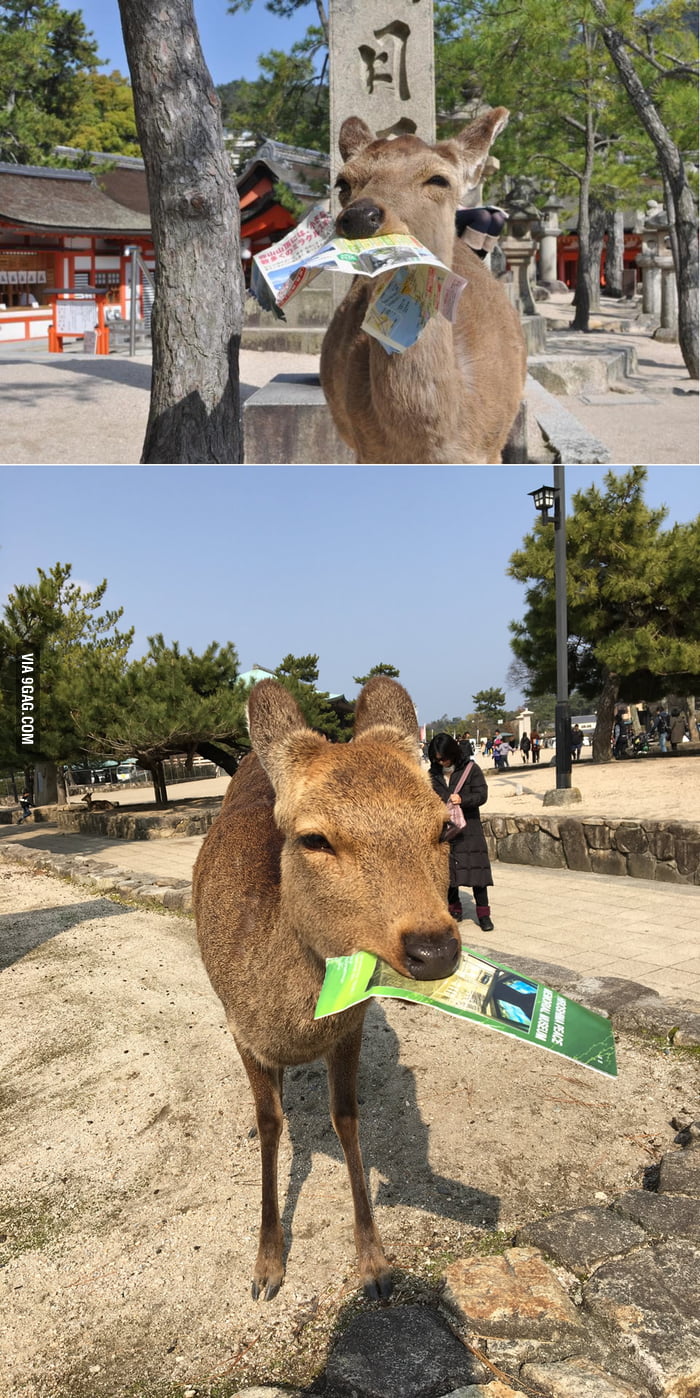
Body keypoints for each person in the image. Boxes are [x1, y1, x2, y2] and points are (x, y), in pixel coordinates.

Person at [428, 733, 494, 931]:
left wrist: (462, 799)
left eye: (444, 758)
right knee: (449, 875)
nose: (441, 762)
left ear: (453, 752)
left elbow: (482, 794)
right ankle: (454, 909)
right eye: (437, 759)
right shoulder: (433, 775)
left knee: (477, 874)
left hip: (469, 828)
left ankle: (483, 915)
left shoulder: (471, 769)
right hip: (446, 830)